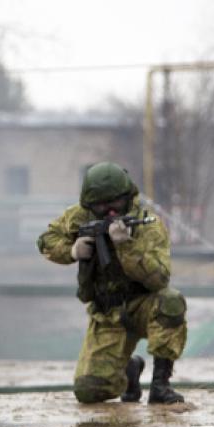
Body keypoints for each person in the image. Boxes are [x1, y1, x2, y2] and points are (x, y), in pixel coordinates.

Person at [37, 162, 186, 405]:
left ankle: (161, 385)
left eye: (115, 204)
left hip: (142, 304)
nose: (110, 213)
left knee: (171, 301)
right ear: (90, 205)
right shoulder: (79, 217)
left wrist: (126, 245)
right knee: (88, 391)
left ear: (127, 198)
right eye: (101, 206)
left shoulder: (147, 223)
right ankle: (129, 372)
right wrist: (72, 251)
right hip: (106, 314)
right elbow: (45, 241)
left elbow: (160, 277)